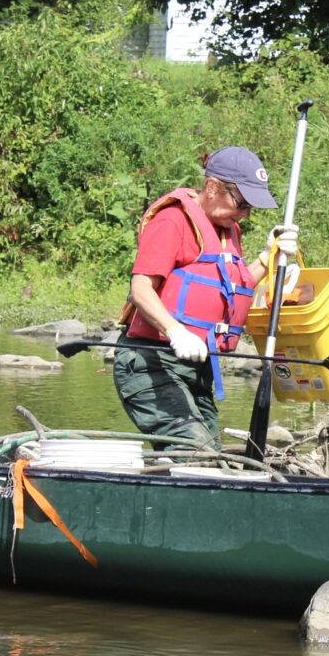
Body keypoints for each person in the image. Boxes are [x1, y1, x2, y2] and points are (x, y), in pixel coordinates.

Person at [113, 145, 298, 452]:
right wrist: (175, 331)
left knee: (211, 457)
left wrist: (269, 257)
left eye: (251, 207)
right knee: (195, 452)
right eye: (242, 203)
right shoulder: (172, 221)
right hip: (151, 362)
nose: (246, 213)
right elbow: (141, 289)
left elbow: (233, 287)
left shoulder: (228, 229)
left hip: (197, 369)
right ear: (213, 187)